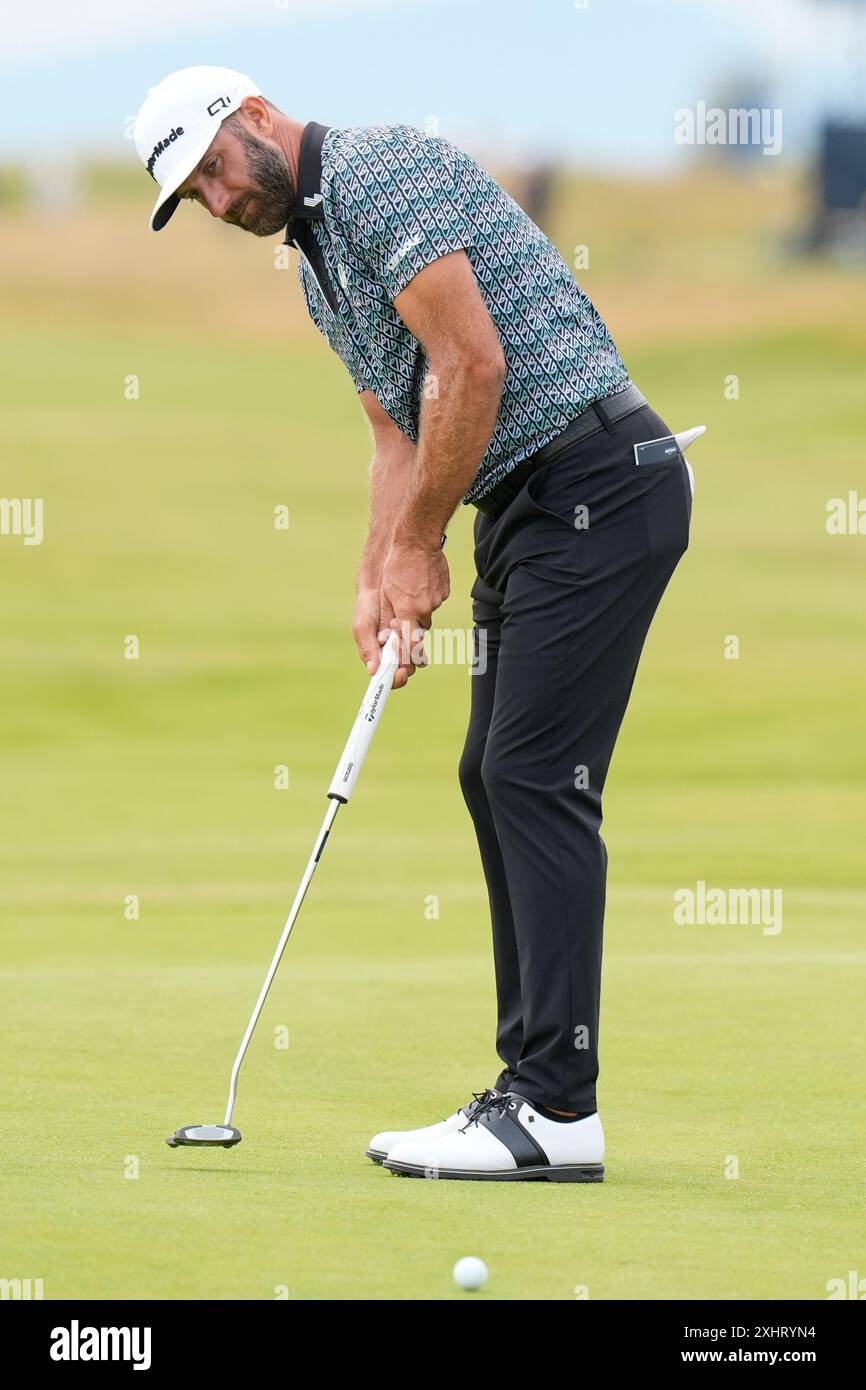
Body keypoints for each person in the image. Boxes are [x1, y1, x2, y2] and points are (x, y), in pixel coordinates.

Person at [135, 66, 692, 1183]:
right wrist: (377, 571)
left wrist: (423, 542)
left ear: (253, 117)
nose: (216, 202)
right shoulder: (316, 259)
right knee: (492, 772)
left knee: (533, 776)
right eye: (191, 195)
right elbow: (398, 431)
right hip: (529, 508)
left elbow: (470, 363)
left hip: (599, 481)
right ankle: (525, 1092)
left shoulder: (383, 174)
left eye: (209, 171)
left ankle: (553, 1109)